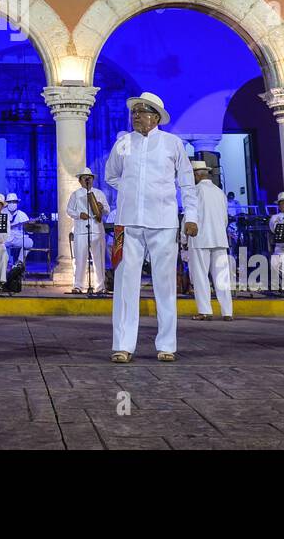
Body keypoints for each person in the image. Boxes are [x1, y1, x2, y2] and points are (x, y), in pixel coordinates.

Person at [106, 91, 198, 364]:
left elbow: (186, 183)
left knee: (165, 284)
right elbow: (111, 175)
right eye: (134, 111)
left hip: (164, 221)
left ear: (156, 117)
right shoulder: (123, 143)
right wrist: (132, 191)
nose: (136, 115)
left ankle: (167, 344)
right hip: (128, 221)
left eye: (142, 111)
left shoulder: (172, 144)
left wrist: (190, 215)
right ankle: (123, 345)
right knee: (125, 284)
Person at [187, 160, 233, 321]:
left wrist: (183, 237)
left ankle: (205, 310)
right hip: (219, 238)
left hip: (200, 238)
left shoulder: (194, 191)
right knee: (222, 277)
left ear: (196, 175)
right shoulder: (219, 192)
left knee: (200, 275)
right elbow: (225, 219)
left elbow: (189, 215)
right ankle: (227, 312)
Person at [66, 168, 110, 294]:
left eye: (89, 177)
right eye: (84, 177)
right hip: (81, 230)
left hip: (97, 229)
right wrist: (79, 214)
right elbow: (69, 210)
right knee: (80, 259)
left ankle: (100, 287)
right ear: (80, 180)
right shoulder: (75, 194)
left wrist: (101, 208)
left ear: (93, 179)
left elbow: (107, 209)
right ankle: (78, 286)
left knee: (99, 260)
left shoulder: (99, 193)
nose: (87, 179)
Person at [3, 192, 32, 267]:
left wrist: (30, 225)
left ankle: (19, 262)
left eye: (14, 202)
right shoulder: (2, 213)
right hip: (5, 239)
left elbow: (30, 231)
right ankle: (6, 262)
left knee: (29, 242)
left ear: (17, 203)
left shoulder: (22, 215)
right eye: (10, 202)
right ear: (7, 203)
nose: (12, 204)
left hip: (18, 239)